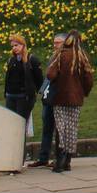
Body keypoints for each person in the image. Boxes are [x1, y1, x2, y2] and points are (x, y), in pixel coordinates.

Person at [45, 28, 94, 172]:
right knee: (72, 129)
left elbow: (50, 74)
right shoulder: (82, 56)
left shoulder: (60, 55)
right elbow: (89, 79)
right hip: (76, 99)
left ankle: (59, 161)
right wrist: (83, 92)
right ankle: (67, 161)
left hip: (60, 97)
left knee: (61, 128)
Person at [28, 33, 66, 168]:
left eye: (58, 42)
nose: (55, 45)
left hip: (59, 98)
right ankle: (43, 157)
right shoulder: (53, 57)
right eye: (54, 42)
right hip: (48, 97)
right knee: (47, 128)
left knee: (60, 130)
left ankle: (60, 158)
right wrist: (42, 91)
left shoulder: (66, 58)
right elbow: (48, 77)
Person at [4, 34, 43, 126]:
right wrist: (6, 93)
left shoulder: (32, 59)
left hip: (24, 97)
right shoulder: (11, 60)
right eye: (12, 46)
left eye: (16, 45)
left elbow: (39, 79)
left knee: (20, 124)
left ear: (23, 45)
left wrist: (39, 93)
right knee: (10, 124)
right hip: (10, 96)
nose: (14, 48)